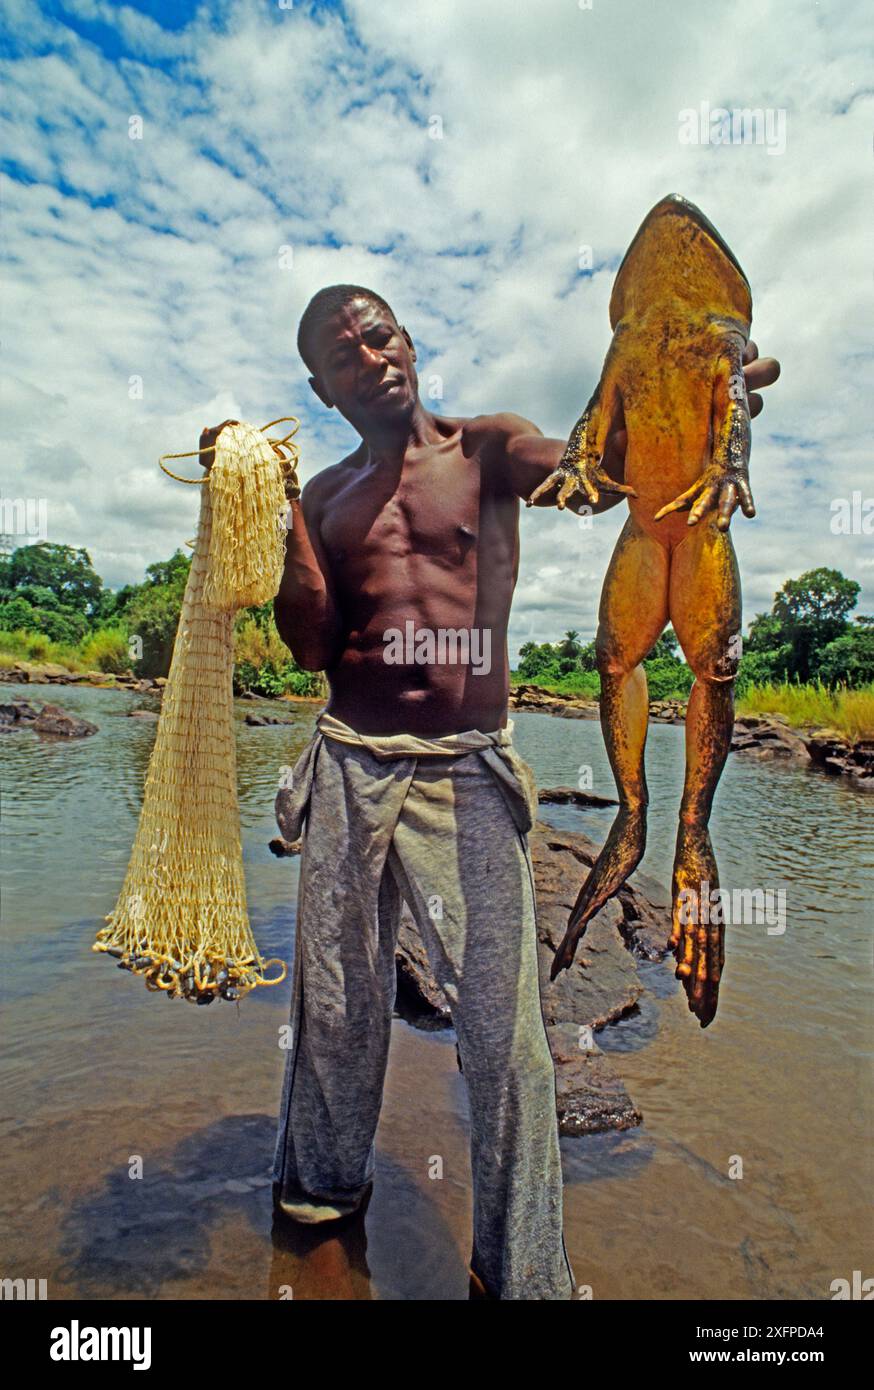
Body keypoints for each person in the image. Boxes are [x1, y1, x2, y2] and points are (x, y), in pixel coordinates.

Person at [200, 284, 779, 1300]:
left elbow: (601, 479)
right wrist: (274, 500)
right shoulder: (328, 497)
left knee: (504, 1040)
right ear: (321, 389)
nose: (366, 354)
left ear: (408, 340)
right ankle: (321, 1207)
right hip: (347, 760)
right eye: (341, 355)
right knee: (334, 1013)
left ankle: (519, 1271)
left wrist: (698, 407)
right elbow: (308, 645)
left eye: (375, 332)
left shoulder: (488, 449)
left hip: (466, 764)